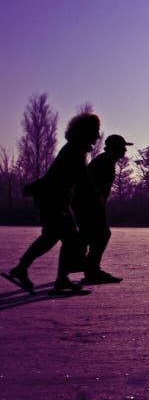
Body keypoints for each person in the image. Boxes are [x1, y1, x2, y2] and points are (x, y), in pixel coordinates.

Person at [4, 112, 101, 293]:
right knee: (71, 239)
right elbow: (82, 179)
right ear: (85, 132)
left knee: (50, 237)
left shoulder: (75, 148)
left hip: (54, 200)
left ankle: (22, 269)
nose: (97, 135)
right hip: (53, 201)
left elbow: (57, 175)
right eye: (95, 131)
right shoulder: (75, 149)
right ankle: (60, 280)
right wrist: (96, 199)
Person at [73, 134, 132, 284]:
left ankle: (83, 267)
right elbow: (89, 185)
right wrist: (96, 205)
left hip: (88, 203)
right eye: (123, 147)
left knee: (89, 236)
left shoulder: (106, 160)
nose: (125, 150)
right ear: (115, 148)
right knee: (101, 234)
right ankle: (90, 270)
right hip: (88, 204)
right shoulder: (104, 161)